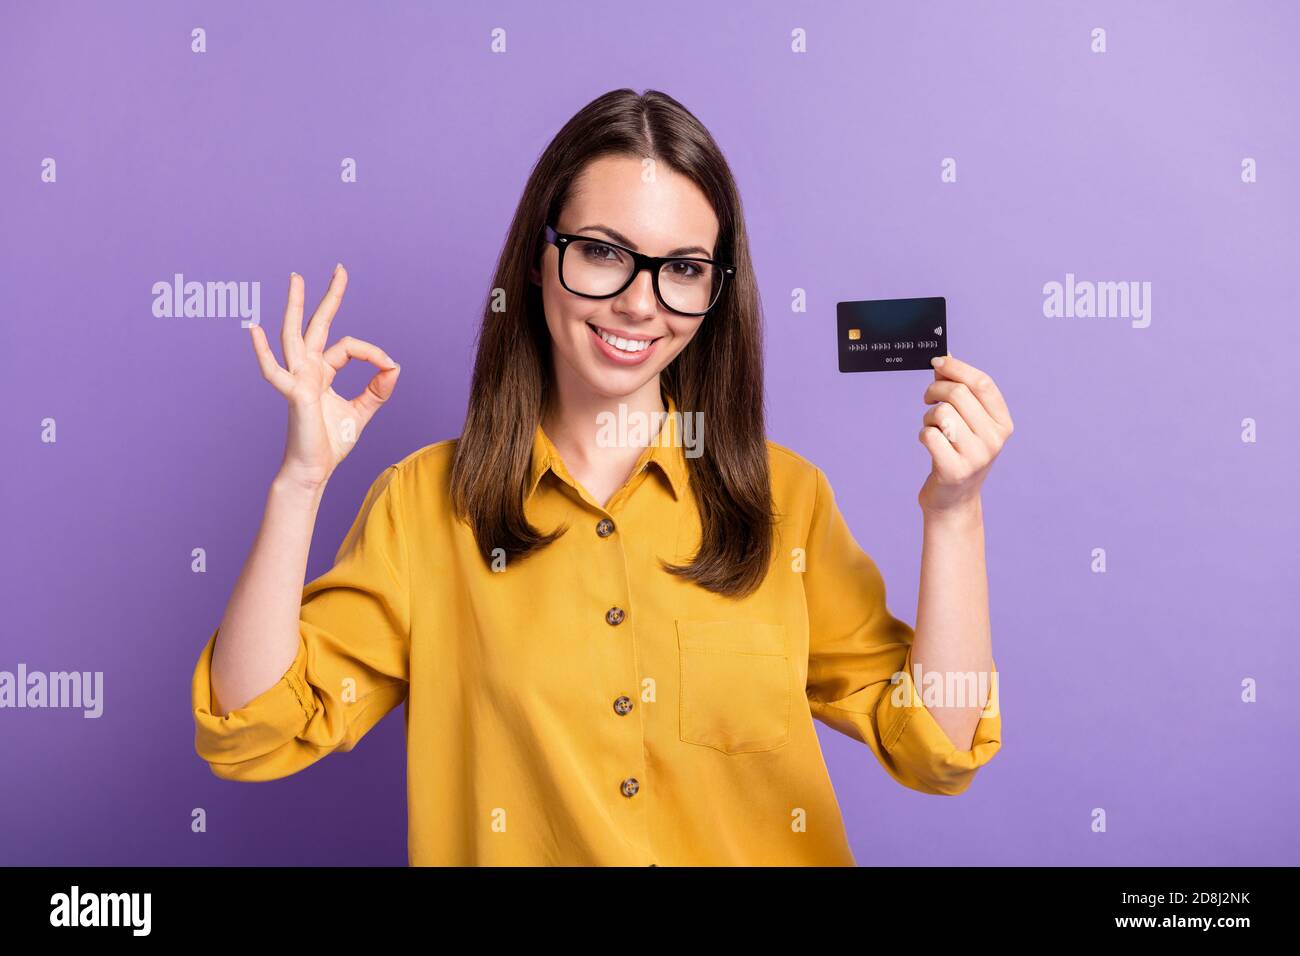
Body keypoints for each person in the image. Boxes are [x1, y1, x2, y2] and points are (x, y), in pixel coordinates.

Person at [190, 88, 1012, 866]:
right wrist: (300, 482)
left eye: (684, 268)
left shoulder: (785, 500)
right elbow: (252, 731)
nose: (639, 303)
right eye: (602, 253)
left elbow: (937, 747)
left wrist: (956, 512)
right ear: (540, 260)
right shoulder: (423, 506)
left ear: (717, 293)